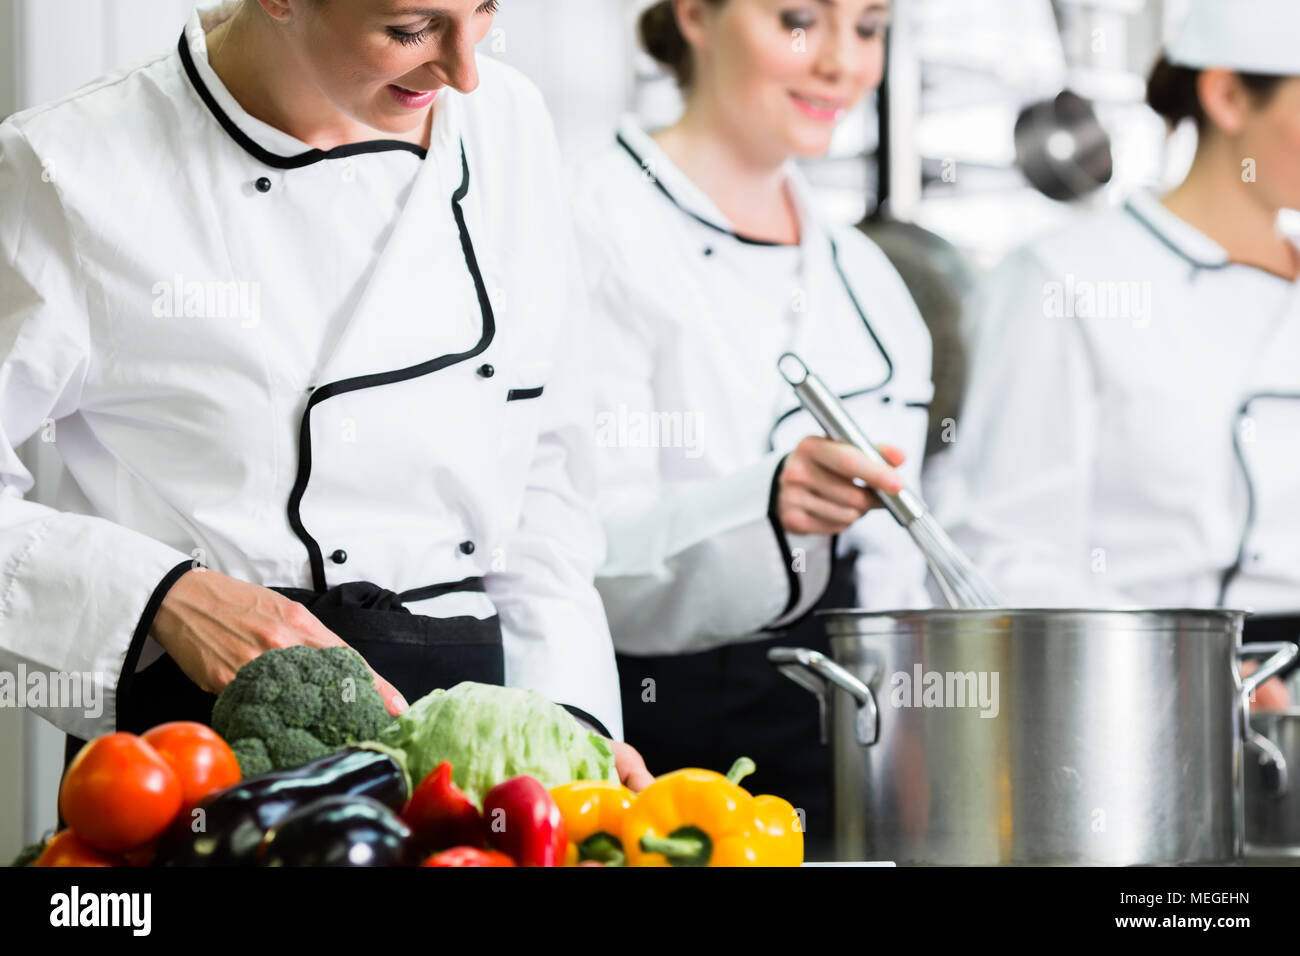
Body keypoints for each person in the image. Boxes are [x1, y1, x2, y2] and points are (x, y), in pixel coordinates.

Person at [0, 0, 650, 787]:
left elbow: (544, 477)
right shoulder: (65, 165)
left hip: (480, 734)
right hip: (204, 738)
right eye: (410, 30)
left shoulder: (510, 121)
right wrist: (160, 594)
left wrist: (569, 722)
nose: (464, 70)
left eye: (483, 10)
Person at [571, 0, 933, 853]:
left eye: (871, 27)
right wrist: (764, 502)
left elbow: (899, 576)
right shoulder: (591, 222)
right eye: (800, 19)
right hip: (652, 735)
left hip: (845, 731)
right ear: (695, 14)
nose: (843, 63)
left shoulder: (868, 278)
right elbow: (571, 553)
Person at [931, 0, 1299, 706]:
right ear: (1226, 95)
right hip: (1149, 705)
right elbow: (1000, 552)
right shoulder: (1065, 281)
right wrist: (1188, 668)